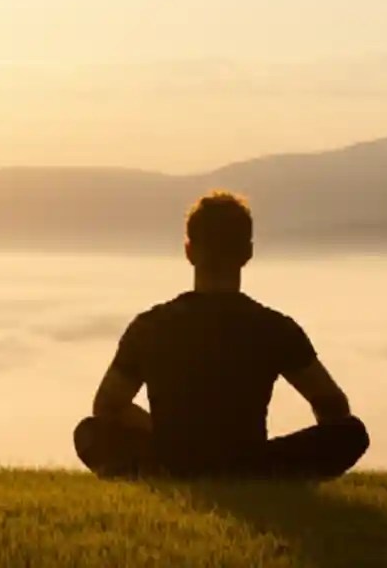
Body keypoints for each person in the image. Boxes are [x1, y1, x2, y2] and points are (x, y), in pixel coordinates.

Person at [74, 191, 369, 480]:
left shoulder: (151, 325)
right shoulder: (274, 327)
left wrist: (164, 436)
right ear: (247, 252)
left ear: (189, 251)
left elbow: (107, 406)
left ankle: (153, 471)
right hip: (251, 464)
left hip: (171, 460)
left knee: (90, 433)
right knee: (350, 433)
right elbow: (332, 405)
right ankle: (272, 476)